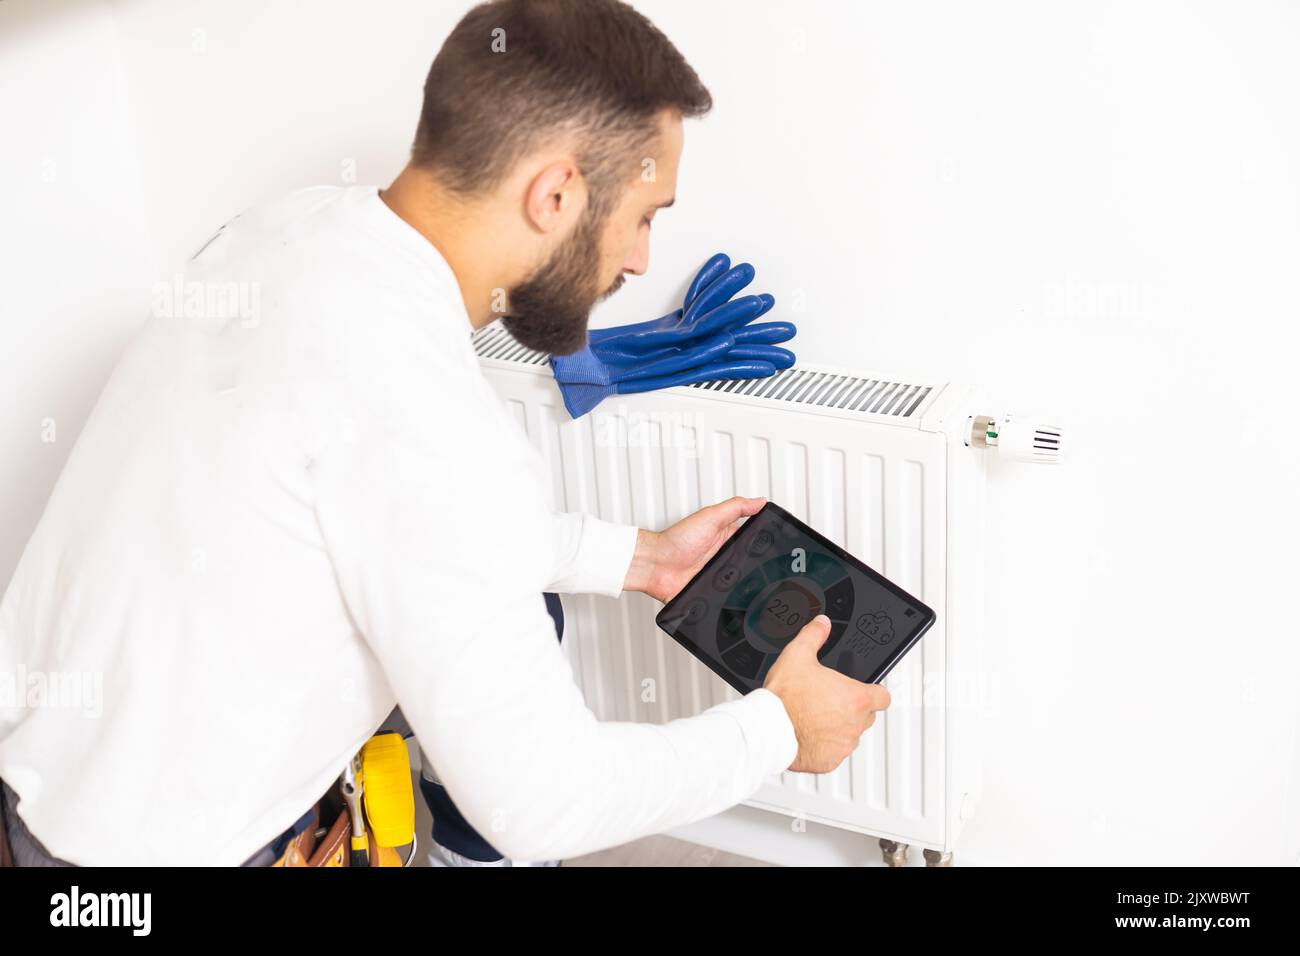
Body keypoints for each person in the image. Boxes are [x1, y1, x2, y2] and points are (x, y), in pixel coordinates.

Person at [0, 0, 890, 866]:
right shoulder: (425, 412)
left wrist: (639, 560)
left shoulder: (278, 231)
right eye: (645, 216)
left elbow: (377, 509)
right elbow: (544, 803)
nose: (640, 261)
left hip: (44, 788)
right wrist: (777, 728)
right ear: (556, 193)